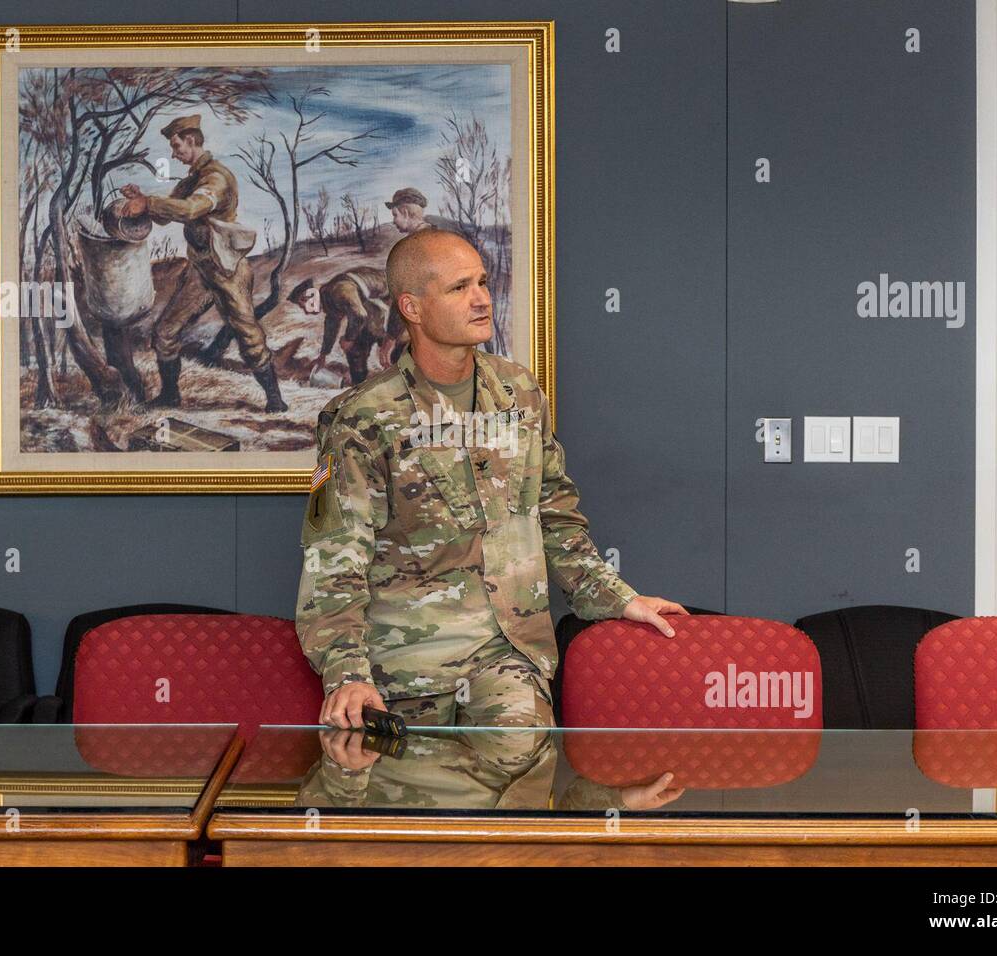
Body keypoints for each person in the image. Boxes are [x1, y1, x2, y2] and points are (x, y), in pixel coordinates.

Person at [296, 229, 687, 733]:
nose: (482, 298)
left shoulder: (518, 391)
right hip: (401, 671)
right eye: (460, 288)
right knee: (402, 802)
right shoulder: (357, 419)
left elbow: (554, 514)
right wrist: (346, 675)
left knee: (519, 763)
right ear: (412, 307)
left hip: (508, 657)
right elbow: (333, 556)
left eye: (482, 282)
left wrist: (616, 597)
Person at [119, 114, 287, 412]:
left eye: (176, 146)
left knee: (248, 336)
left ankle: (275, 401)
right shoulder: (190, 181)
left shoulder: (216, 178)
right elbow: (164, 214)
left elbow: (191, 208)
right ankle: (171, 396)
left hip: (227, 271)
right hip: (199, 271)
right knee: (165, 331)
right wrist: (144, 200)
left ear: (192, 141)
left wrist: (150, 203)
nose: (173, 153)